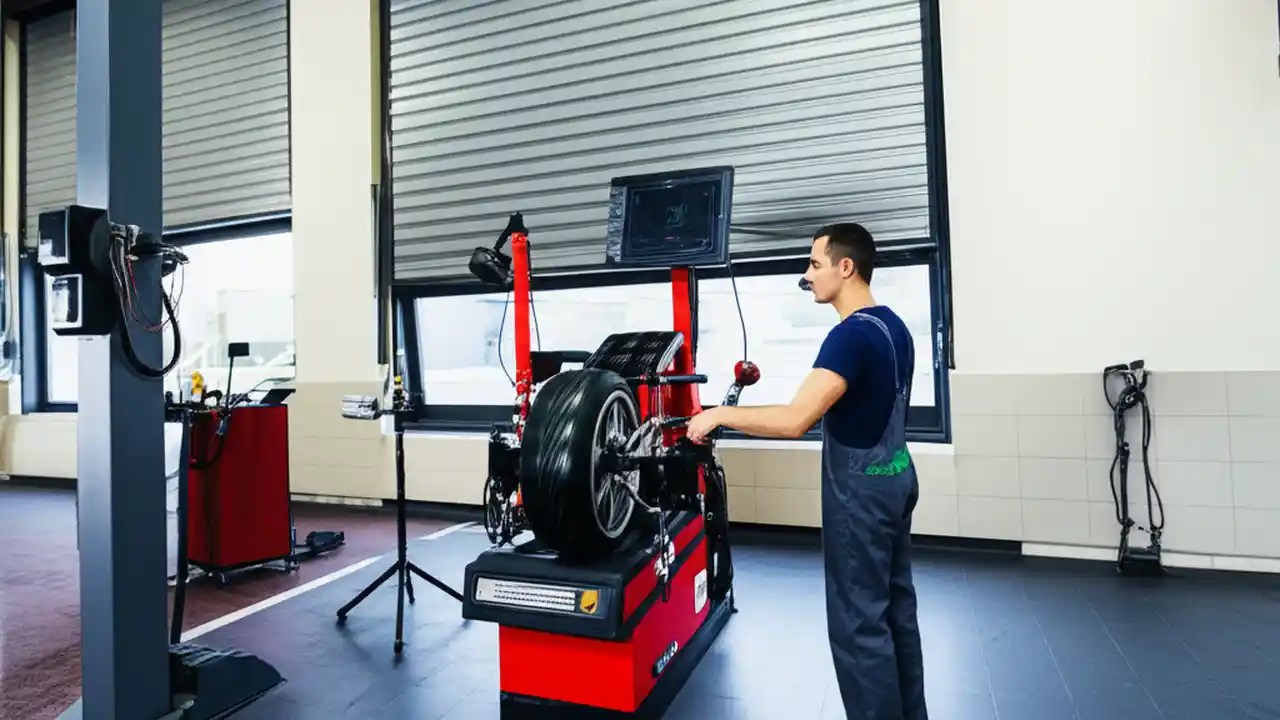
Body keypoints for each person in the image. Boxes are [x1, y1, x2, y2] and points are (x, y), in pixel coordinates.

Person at [686, 222, 927, 720]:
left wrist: (719, 414)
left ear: (846, 267)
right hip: (896, 477)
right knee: (896, 610)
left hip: (861, 494)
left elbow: (796, 419)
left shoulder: (849, 338)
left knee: (859, 626)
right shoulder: (895, 327)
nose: (807, 275)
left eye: (815, 264)